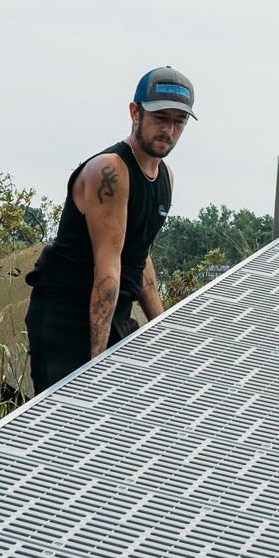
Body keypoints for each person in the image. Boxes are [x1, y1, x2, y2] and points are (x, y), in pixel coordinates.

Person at [25, 66, 196, 394]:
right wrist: (96, 361)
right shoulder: (111, 170)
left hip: (113, 308)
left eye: (179, 121)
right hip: (67, 310)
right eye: (161, 117)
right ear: (135, 112)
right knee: (70, 416)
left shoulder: (165, 177)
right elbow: (108, 262)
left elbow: (139, 256)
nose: (169, 130)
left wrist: (163, 329)